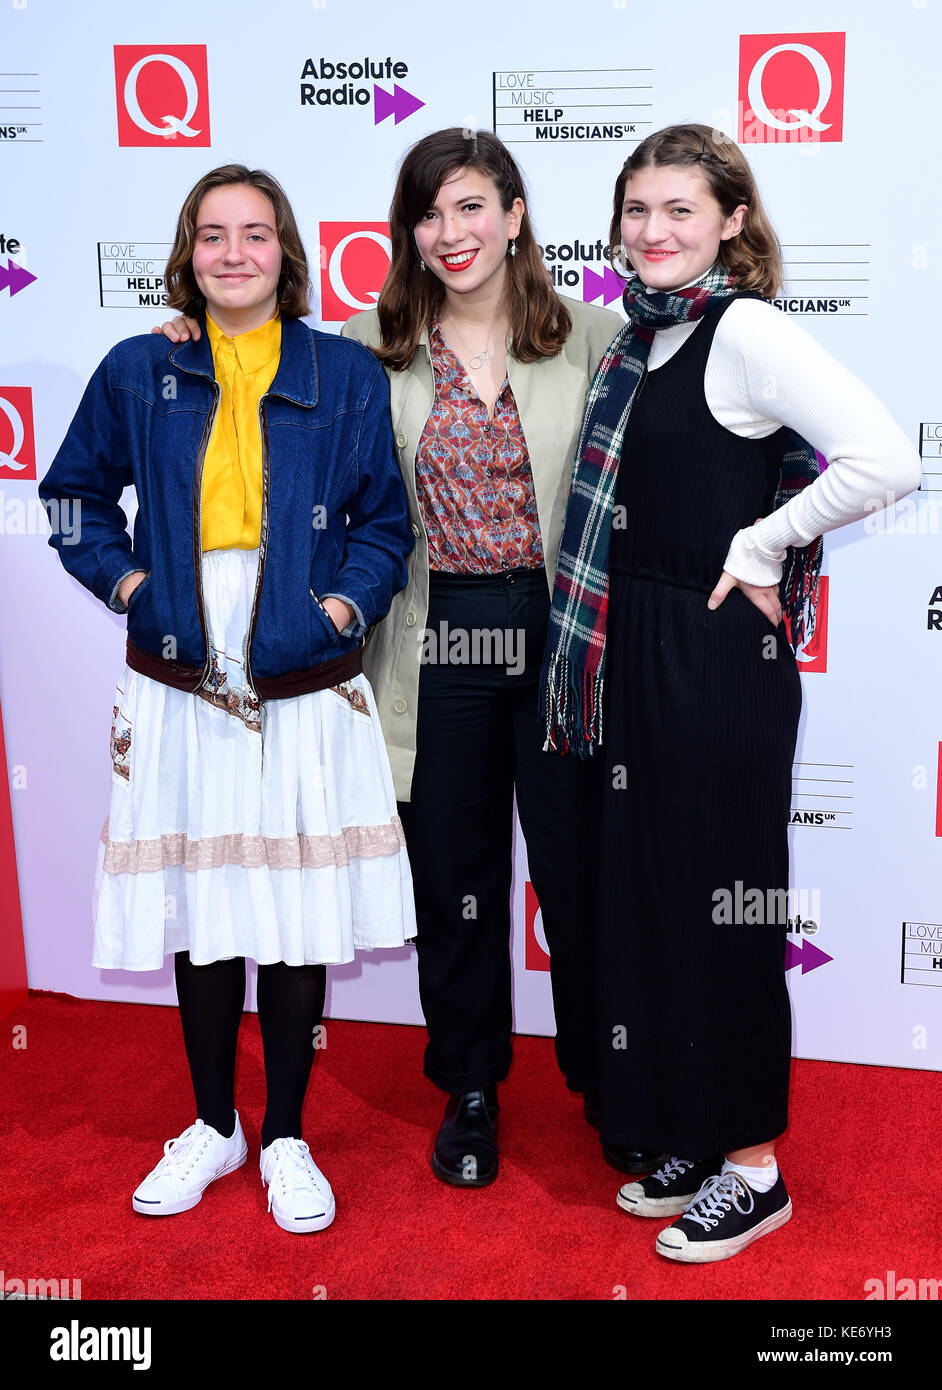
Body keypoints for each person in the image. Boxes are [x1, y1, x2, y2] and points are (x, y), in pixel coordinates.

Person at [155, 130, 662, 1188]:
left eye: (472, 207)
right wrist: (189, 340)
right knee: (458, 884)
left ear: (516, 216)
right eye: (430, 214)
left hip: (566, 637)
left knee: (584, 876)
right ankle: (471, 1089)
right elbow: (253, 366)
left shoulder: (600, 337)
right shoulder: (364, 348)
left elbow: (711, 399)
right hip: (432, 643)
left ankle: (613, 1086)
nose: (451, 233)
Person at [541, 123, 921, 1261]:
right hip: (633, 645)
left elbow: (885, 459)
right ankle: (696, 1132)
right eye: (637, 211)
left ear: (733, 223)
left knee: (726, 907)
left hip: (713, 658)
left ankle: (754, 1166)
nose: (653, 232)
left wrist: (764, 543)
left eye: (680, 212)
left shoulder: (744, 328)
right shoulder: (637, 343)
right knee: (658, 900)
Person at [38, 163, 415, 1234]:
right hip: (180, 662)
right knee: (208, 905)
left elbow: (384, 522)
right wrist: (128, 583)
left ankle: (287, 1133)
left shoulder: (344, 374)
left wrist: (341, 611)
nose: (235, 253)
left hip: (302, 660)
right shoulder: (134, 370)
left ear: (288, 253)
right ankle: (215, 1124)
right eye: (214, 235)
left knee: (291, 909)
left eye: (256, 234)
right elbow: (70, 501)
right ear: (187, 252)